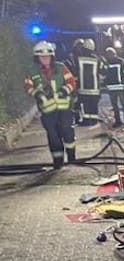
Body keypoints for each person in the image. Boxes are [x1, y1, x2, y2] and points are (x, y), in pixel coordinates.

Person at [23, 41, 77, 169]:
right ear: (37, 58)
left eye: (48, 57)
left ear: (52, 57)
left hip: (64, 107)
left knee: (67, 131)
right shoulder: (32, 71)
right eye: (42, 57)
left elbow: (71, 81)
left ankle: (71, 156)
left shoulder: (60, 67)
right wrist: (37, 94)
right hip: (47, 110)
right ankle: (57, 160)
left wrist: (64, 90)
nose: (45, 59)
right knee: (53, 135)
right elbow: (27, 85)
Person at [74, 38, 105, 126]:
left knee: (85, 106)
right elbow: (103, 72)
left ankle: (86, 121)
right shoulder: (98, 59)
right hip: (95, 88)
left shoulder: (78, 59)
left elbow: (75, 71)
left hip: (83, 88)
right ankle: (94, 121)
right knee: (94, 105)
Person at [102, 47, 124, 128]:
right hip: (118, 88)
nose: (109, 56)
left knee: (119, 105)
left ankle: (122, 121)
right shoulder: (122, 62)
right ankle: (123, 121)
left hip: (115, 88)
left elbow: (104, 75)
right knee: (120, 105)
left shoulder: (107, 63)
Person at [64, 38, 84, 125]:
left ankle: (80, 117)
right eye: (79, 46)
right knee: (74, 101)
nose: (80, 48)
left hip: (83, 81)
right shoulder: (70, 57)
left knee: (81, 100)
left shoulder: (83, 56)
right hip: (74, 82)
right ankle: (76, 118)